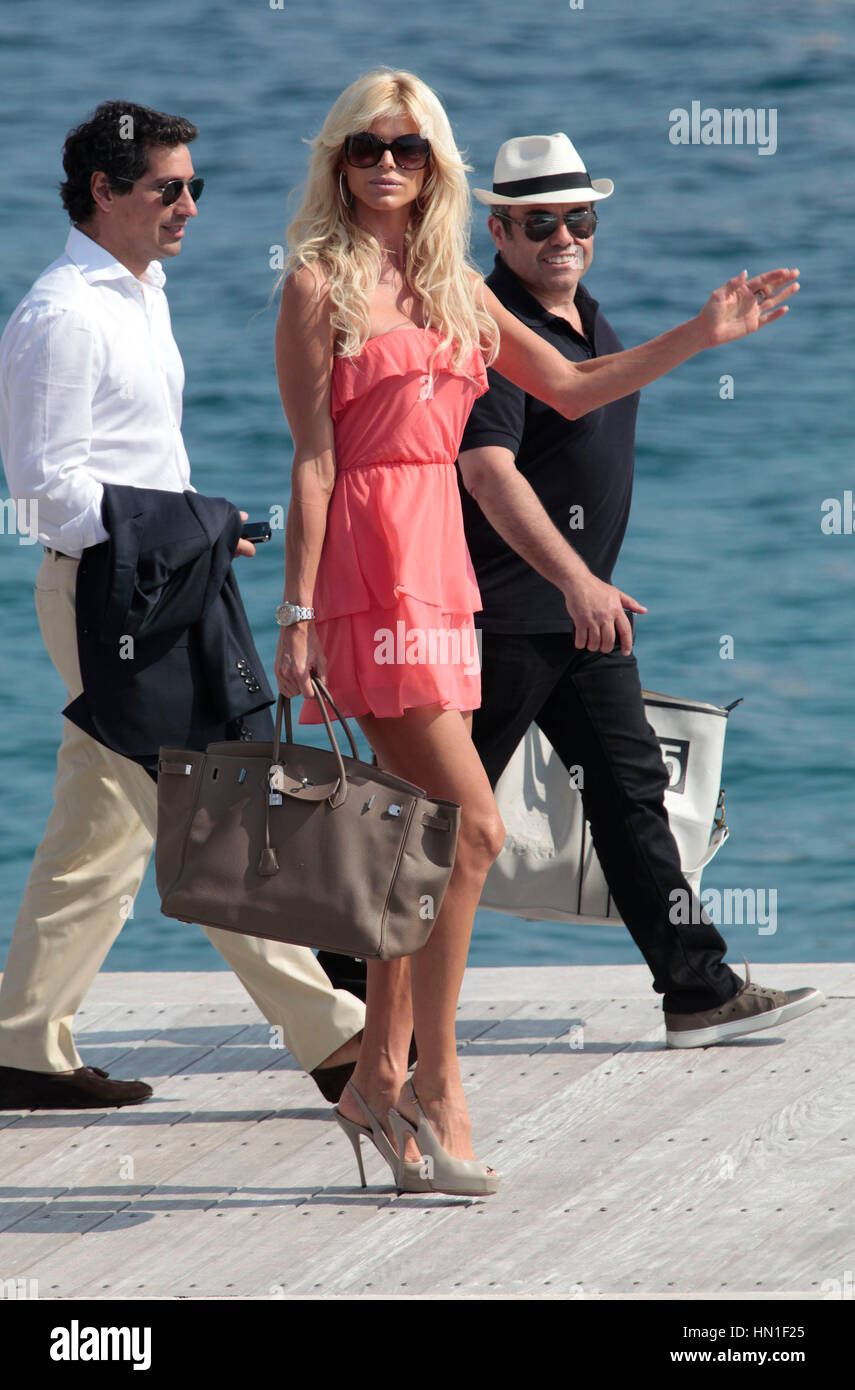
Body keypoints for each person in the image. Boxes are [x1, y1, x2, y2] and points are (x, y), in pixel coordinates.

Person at [274, 70, 800, 1196]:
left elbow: (570, 383)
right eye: (366, 146)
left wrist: (700, 336)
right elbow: (314, 459)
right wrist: (299, 610)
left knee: (418, 839)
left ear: (435, 165)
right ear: (338, 161)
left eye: (407, 149)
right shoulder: (318, 286)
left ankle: (379, 1076)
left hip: (446, 578)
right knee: (465, 830)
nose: (385, 165)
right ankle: (435, 1081)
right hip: (372, 572)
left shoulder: (458, 289)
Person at [0, 101, 365, 1112]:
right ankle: (338, 1043)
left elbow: (132, 463)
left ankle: (24, 1045)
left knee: (98, 831)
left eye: (195, 186)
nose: (191, 206)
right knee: (211, 818)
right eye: (169, 188)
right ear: (105, 194)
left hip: (163, 586)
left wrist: (211, 528)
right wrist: (184, 528)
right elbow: (43, 492)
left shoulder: (139, 289)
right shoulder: (62, 318)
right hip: (109, 601)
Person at [454, 132, 824, 1046]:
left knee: (630, 797)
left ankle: (696, 989)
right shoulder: (497, 329)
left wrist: (588, 588)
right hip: (504, 618)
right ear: (498, 231)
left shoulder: (585, 317)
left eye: (578, 218)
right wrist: (577, 576)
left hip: (583, 615)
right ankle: (347, 993)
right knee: (435, 821)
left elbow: (586, 400)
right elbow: (485, 471)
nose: (563, 237)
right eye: (539, 223)